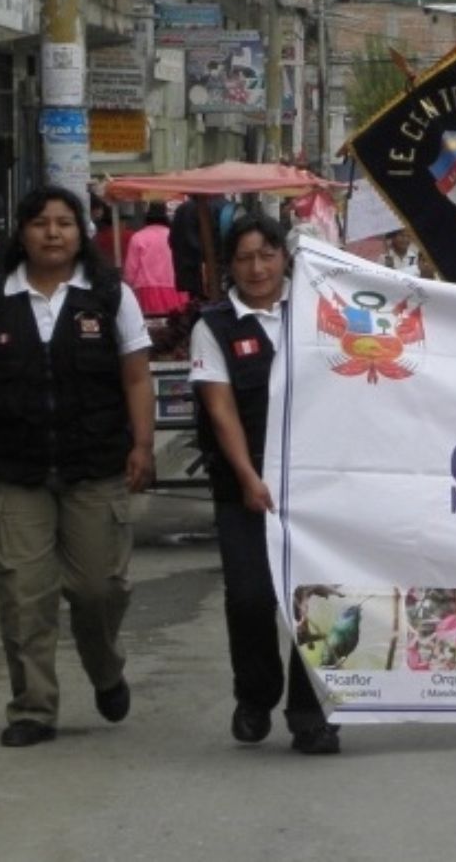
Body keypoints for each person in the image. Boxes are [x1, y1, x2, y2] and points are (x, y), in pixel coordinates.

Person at [0, 185, 155, 749]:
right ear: (21, 233)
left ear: (81, 233)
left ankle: (105, 669)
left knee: (98, 589)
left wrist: (143, 445)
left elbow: (135, 376)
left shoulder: (109, 296)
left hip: (95, 464)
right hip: (13, 467)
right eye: (39, 223)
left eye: (64, 223)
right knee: (23, 592)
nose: (52, 233)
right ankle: (33, 707)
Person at [191, 214, 340, 756]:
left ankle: (312, 713)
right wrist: (249, 477)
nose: (257, 268)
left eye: (267, 255)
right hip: (246, 487)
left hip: (318, 486)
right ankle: (255, 696)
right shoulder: (214, 326)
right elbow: (221, 408)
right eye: (245, 258)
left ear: (285, 257)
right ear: (229, 266)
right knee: (252, 598)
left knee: (317, 599)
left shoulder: (319, 314)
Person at [124, 203, 192, 316]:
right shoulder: (175, 235)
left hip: (146, 290)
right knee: (176, 325)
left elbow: (130, 271)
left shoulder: (138, 237)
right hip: (176, 288)